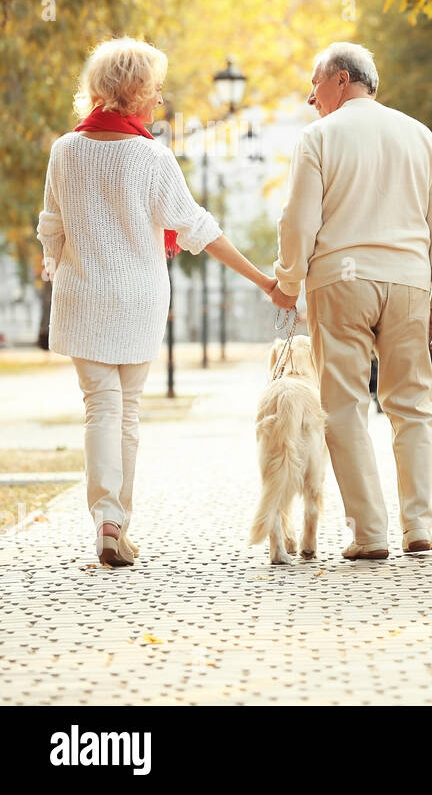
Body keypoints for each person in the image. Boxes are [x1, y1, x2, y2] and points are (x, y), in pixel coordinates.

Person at [36, 37, 276, 567]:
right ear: (137, 91)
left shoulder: (64, 150)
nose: (160, 100)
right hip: (137, 298)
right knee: (127, 413)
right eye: (156, 90)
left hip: (81, 297)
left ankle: (106, 520)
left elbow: (51, 229)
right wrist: (264, 281)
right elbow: (200, 230)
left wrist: (59, 268)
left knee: (99, 407)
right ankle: (118, 521)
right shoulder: (151, 156)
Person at [270, 42, 432, 560]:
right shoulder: (420, 136)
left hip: (340, 282)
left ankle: (370, 534)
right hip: (408, 281)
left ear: (340, 79)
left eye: (315, 86)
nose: (312, 99)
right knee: (412, 403)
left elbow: (298, 220)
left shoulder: (319, 138)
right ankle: (417, 527)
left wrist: (288, 280)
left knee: (344, 407)